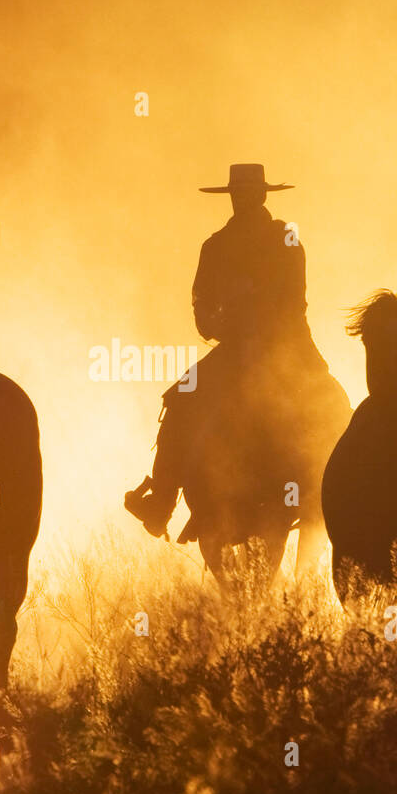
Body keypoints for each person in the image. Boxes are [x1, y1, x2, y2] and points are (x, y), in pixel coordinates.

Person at [124, 163, 334, 537]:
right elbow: (201, 300)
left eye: (249, 193)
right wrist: (214, 323)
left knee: (332, 404)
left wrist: (242, 324)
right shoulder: (220, 244)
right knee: (180, 401)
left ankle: (336, 488)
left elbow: (294, 299)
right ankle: (162, 503)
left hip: (284, 345)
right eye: (239, 193)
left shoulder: (279, 239)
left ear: (262, 195)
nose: (244, 199)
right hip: (249, 347)